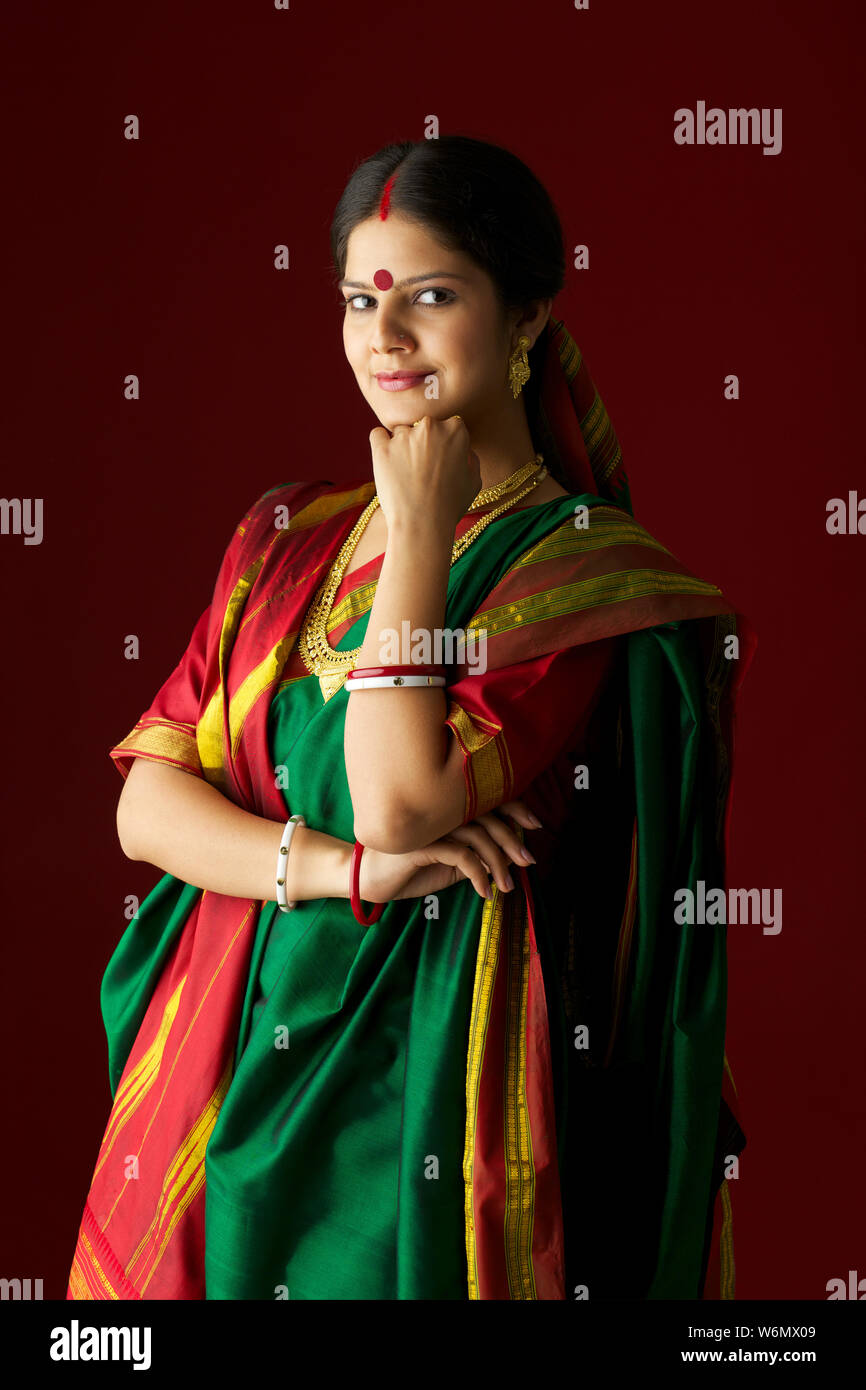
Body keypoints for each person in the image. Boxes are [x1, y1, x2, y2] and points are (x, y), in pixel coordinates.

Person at [67, 134, 756, 1302]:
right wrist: (346, 874)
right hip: (227, 1080)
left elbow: (401, 796)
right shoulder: (284, 541)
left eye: (430, 297)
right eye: (357, 301)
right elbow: (146, 805)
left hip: (429, 1101)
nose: (382, 340)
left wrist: (424, 524)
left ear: (527, 313)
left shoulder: (575, 579)